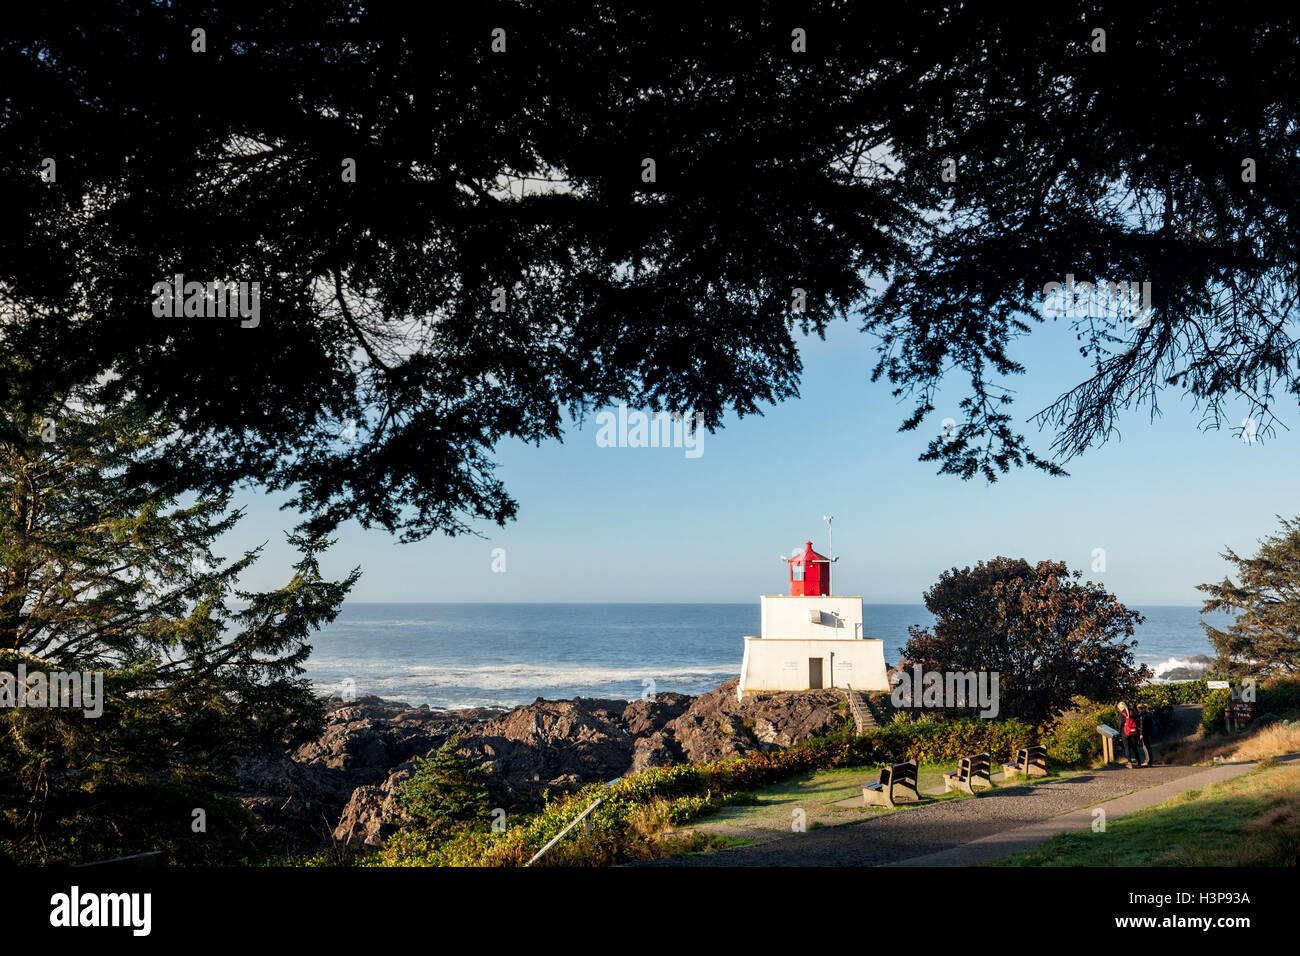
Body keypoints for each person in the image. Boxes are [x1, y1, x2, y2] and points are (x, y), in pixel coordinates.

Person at [1118, 702, 1140, 768]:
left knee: (1127, 748)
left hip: (1125, 733)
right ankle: (1139, 762)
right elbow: (1137, 722)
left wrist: (1119, 736)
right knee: (1135, 748)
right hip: (1133, 732)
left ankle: (1130, 763)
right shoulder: (1132, 712)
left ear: (1120, 708)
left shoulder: (1121, 715)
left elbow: (1120, 726)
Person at [1136, 702, 1158, 767]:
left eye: (1140, 708)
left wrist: (1141, 734)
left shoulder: (1144, 716)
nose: (1138, 709)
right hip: (1148, 733)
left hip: (1146, 733)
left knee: (1146, 747)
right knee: (1147, 747)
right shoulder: (1148, 715)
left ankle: (1148, 761)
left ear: (1144, 708)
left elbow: (1143, 726)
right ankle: (1149, 761)